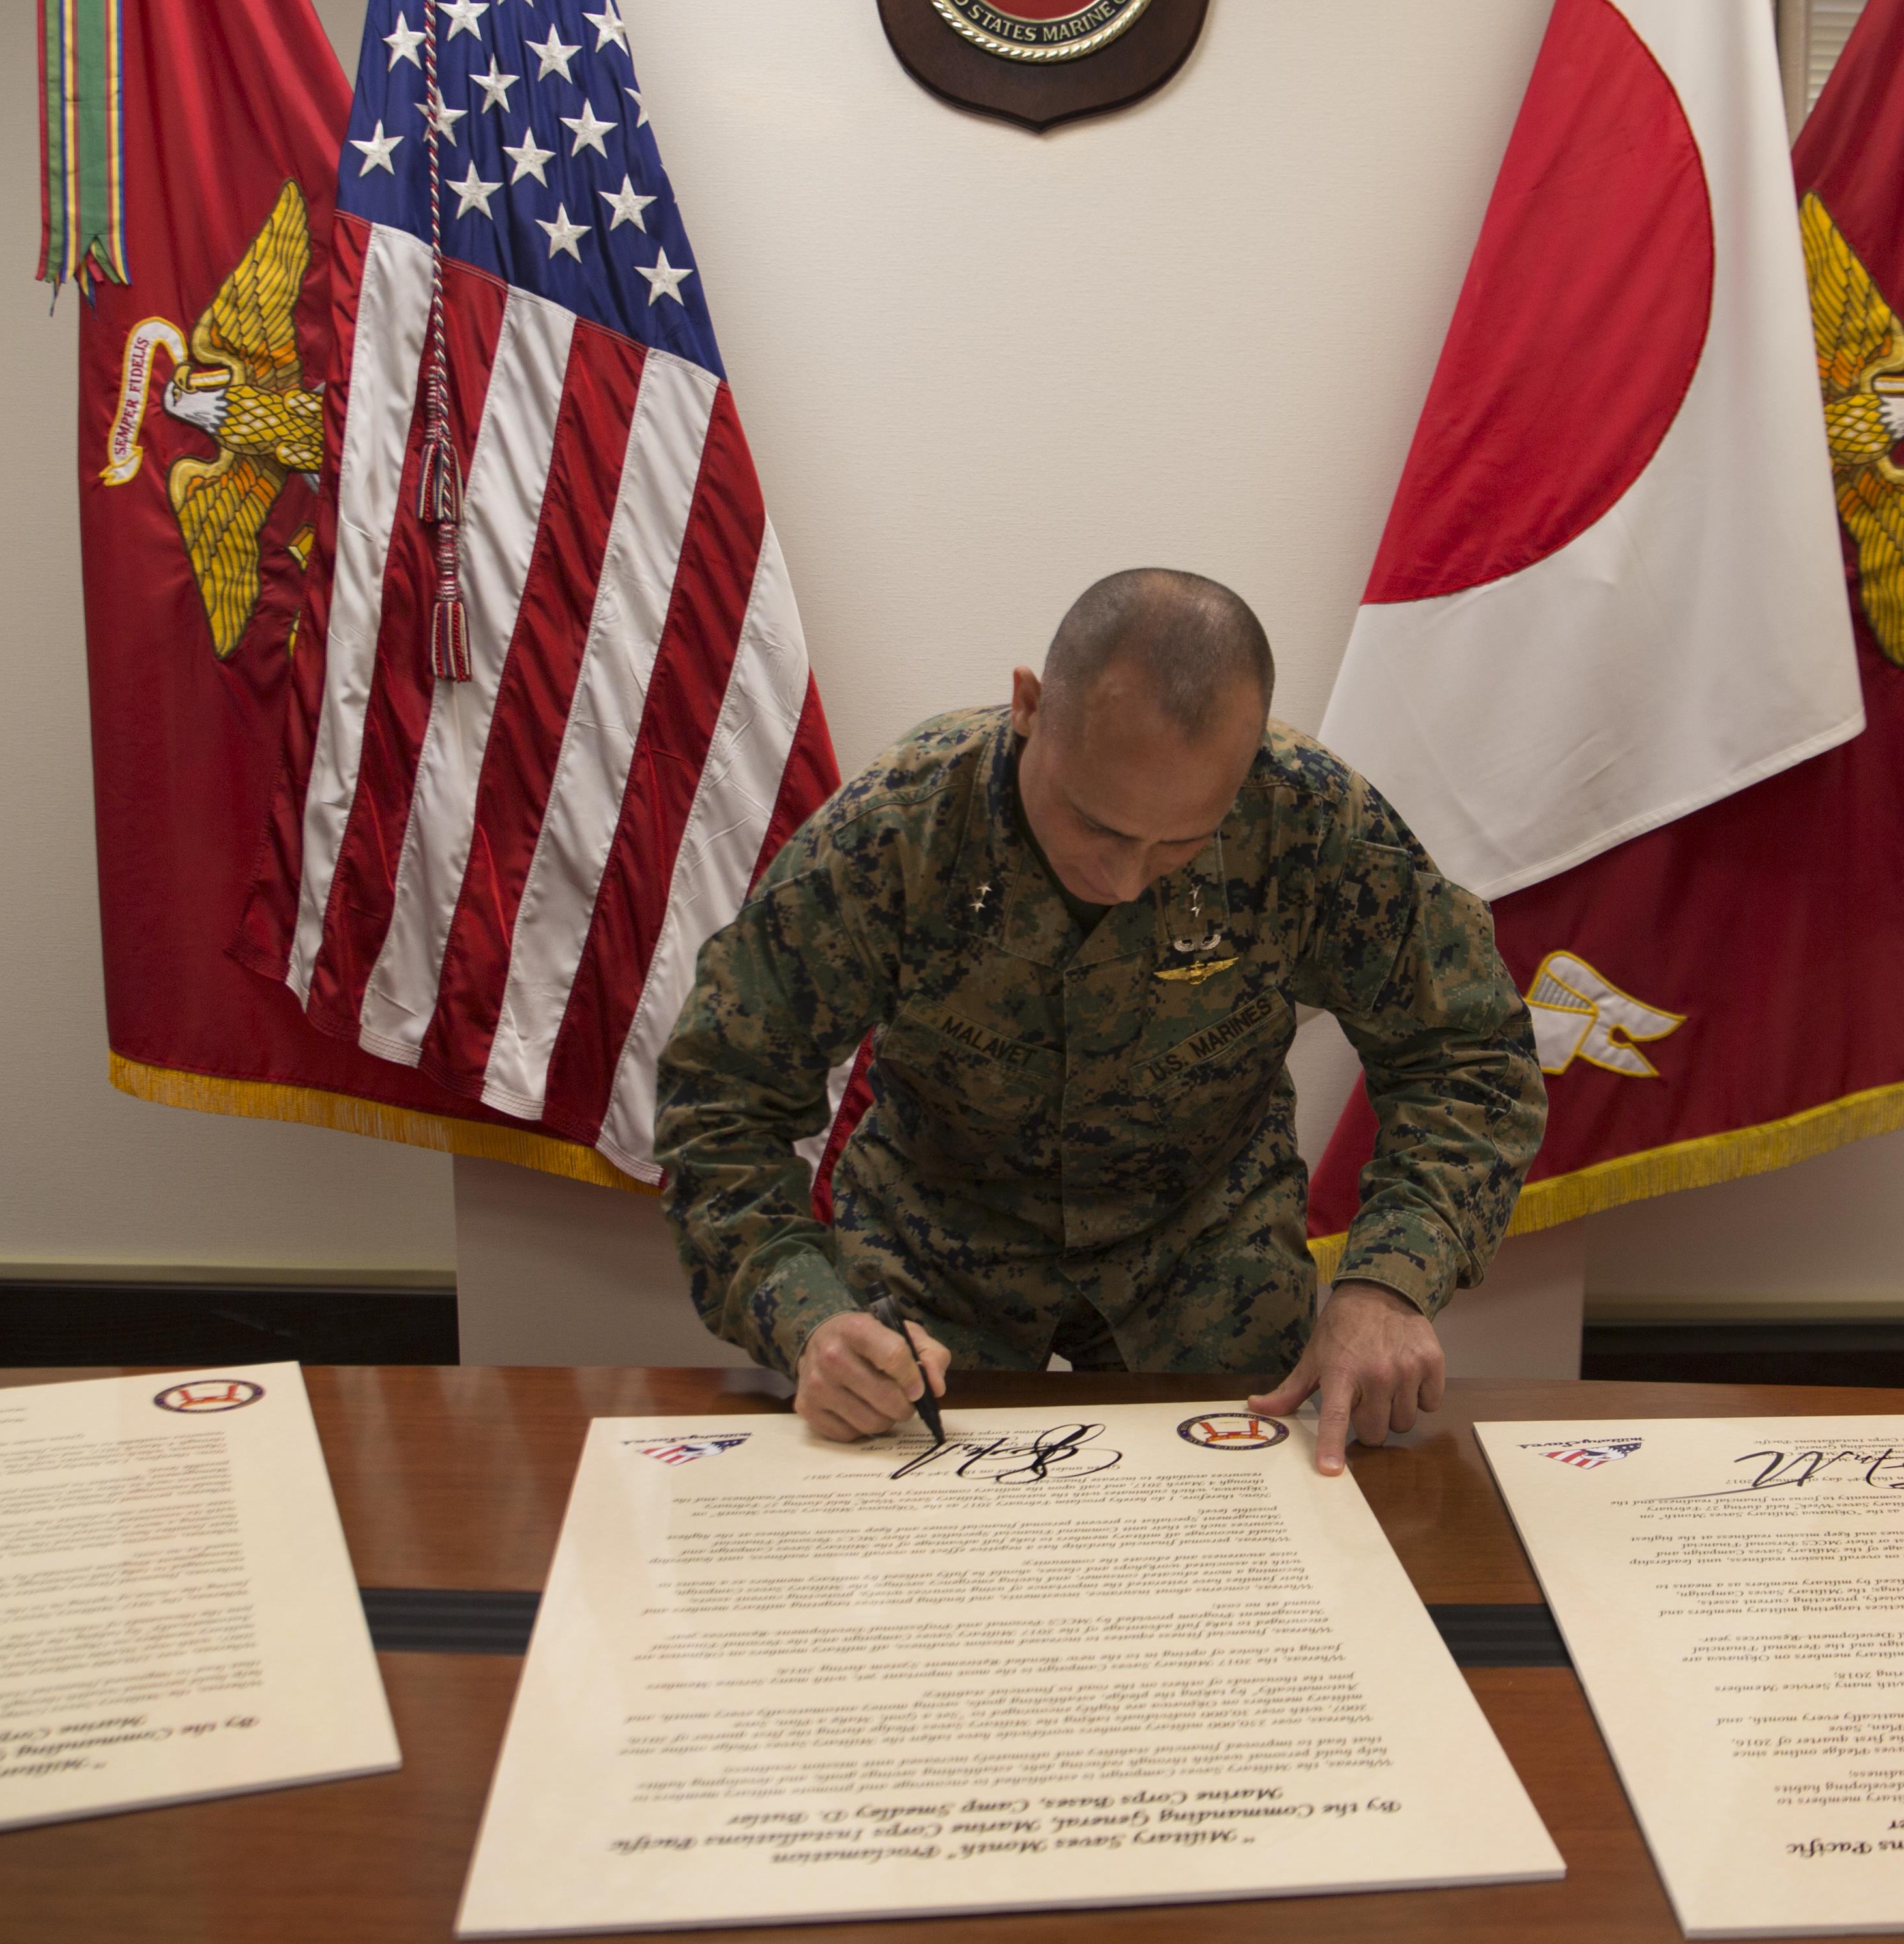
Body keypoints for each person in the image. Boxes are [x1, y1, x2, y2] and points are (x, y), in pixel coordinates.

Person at [653, 568, 1545, 1473]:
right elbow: (720, 1103)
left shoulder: (1305, 818)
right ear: (1030, 707)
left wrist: (1390, 1279)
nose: (1123, 880)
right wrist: (807, 1317)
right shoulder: (897, 835)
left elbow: (1470, 1057)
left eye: (1181, 843)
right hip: (933, 1273)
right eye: (1097, 826)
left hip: (1209, 1263)